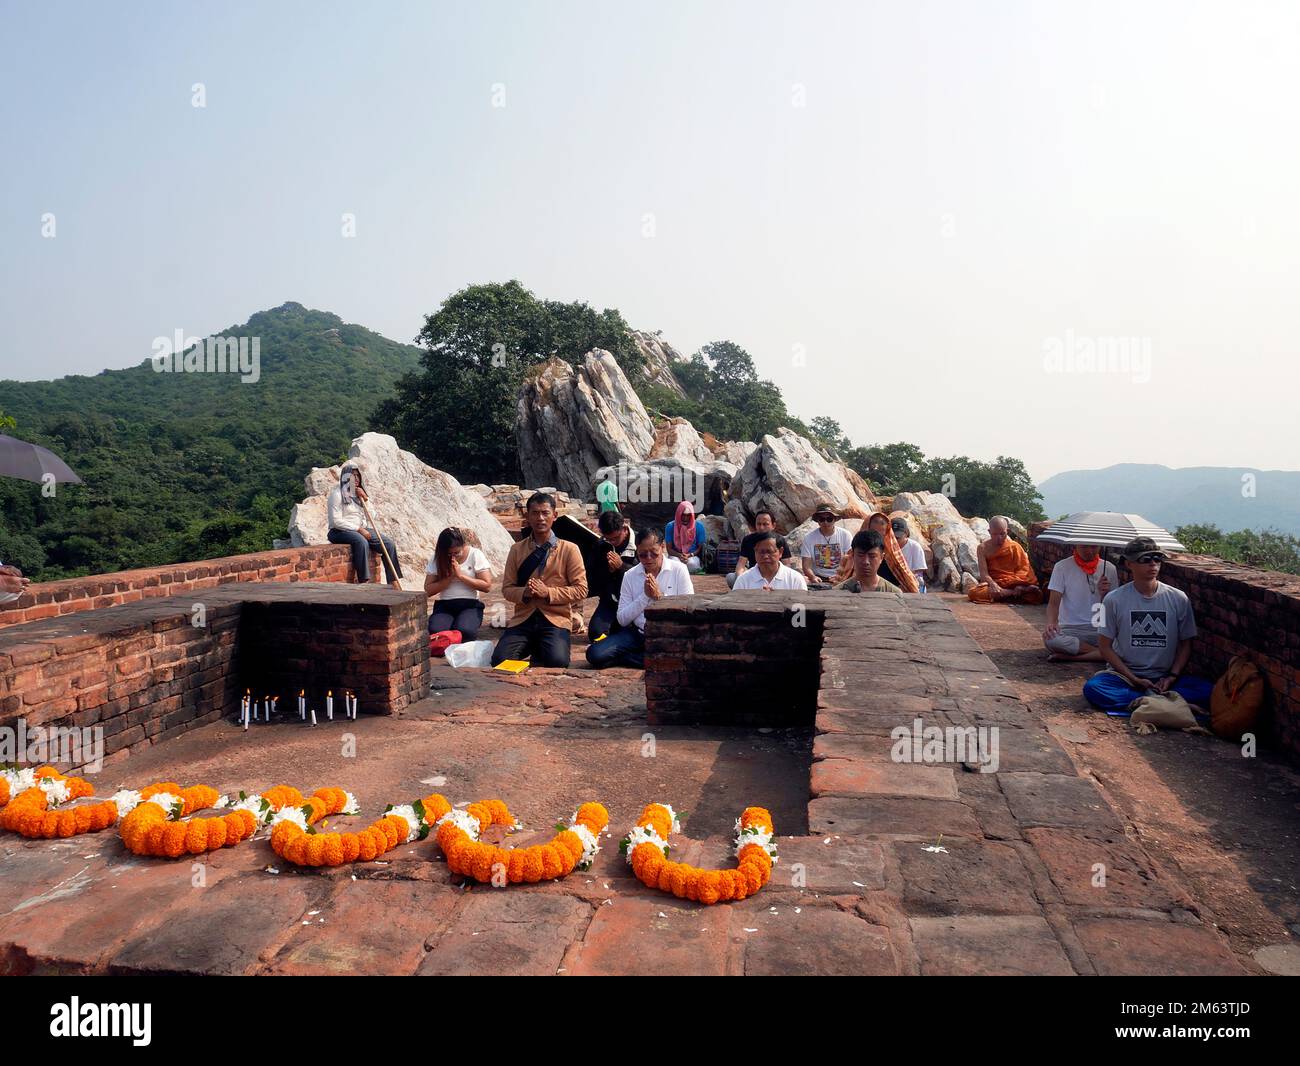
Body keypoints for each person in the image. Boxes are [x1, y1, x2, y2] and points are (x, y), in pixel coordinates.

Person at [1082, 537, 1213, 713]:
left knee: (1208, 691)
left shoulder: (1178, 598)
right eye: (1145, 560)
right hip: (1125, 677)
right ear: (1129, 564)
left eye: (1156, 559)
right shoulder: (1113, 600)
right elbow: (1105, 647)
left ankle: (1148, 702)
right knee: (1094, 688)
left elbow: (1185, 644)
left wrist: (1172, 677)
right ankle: (1167, 704)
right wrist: (1134, 678)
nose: (1153, 564)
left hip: (1164, 678)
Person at [492, 493, 588, 668]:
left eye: (545, 513)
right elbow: (507, 589)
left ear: (555, 516)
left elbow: (581, 590)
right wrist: (524, 593)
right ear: (527, 516)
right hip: (524, 617)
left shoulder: (569, 550)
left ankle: (542, 645)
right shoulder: (516, 550)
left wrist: (548, 592)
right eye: (535, 513)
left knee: (557, 662)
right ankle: (537, 645)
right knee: (500, 660)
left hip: (555, 617)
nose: (540, 518)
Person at [587, 527, 693, 669]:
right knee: (594, 654)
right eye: (643, 555)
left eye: (654, 554)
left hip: (668, 633)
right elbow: (622, 619)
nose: (648, 559)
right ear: (637, 551)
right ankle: (645, 658)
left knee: (680, 657)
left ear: (662, 547)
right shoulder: (630, 575)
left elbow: (689, 611)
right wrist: (645, 597)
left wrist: (659, 598)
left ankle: (629, 658)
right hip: (638, 633)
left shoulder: (679, 570)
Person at [326, 465, 403, 585]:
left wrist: (366, 499)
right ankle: (364, 580)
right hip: (339, 531)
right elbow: (335, 521)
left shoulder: (358, 494)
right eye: (352, 475)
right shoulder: (336, 494)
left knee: (389, 544)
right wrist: (358, 529)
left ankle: (393, 581)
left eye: (358, 475)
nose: (356, 478)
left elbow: (372, 516)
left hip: (361, 528)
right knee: (361, 542)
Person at [1042, 544, 1117, 661]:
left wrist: (1105, 594)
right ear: (1075, 545)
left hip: (1099, 629)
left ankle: (1075, 657)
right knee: (1051, 640)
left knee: (1125, 643)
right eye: (1084, 547)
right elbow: (1053, 603)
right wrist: (1051, 623)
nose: (1090, 551)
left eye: (1094, 547)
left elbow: (1113, 609)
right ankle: (1103, 654)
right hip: (1070, 629)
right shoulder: (1062, 567)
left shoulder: (1109, 568)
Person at [424, 528, 493, 639]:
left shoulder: (475, 554)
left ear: (463, 545)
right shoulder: (437, 558)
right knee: (436, 632)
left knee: (465, 631)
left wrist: (461, 576)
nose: (453, 557)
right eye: (449, 554)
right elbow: (428, 590)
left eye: (456, 553)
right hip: (445, 604)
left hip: (469, 604)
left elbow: (487, 586)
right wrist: (449, 578)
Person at [584, 510, 638, 640]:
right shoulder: (601, 545)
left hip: (635, 601)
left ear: (624, 528)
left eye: (615, 538)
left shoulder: (640, 542)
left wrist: (622, 567)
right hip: (610, 601)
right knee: (595, 633)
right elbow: (592, 577)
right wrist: (608, 571)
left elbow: (645, 575)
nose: (612, 542)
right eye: (608, 538)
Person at [967, 517, 1042, 604]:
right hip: (996, 583)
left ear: (1008, 531)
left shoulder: (1015, 546)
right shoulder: (982, 548)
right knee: (974, 593)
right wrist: (993, 584)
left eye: (1002, 534)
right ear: (989, 532)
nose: (999, 538)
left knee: (1037, 595)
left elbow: (1024, 570)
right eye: (995, 534)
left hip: (1014, 583)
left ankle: (1009, 593)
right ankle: (1013, 594)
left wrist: (1019, 585)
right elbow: (984, 575)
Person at [727, 509, 791, 588]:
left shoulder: (780, 540)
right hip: (754, 575)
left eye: (765, 524)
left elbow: (787, 564)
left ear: (773, 525)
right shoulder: (748, 540)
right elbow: (741, 563)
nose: (761, 527)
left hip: (775, 575)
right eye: (759, 524)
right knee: (731, 577)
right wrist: (740, 579)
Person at [799, 503, 852, 588]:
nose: (825, 522)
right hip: (818, 578)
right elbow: (806, 565)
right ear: (817, 520)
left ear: (835, 519)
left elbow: (850, 560)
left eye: (829, 519)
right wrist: (813, 577)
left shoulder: (845, 535)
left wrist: (841, 576)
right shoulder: (808, 538)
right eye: (822, 519)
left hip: (841, 577)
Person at [866, 512, 919, 593]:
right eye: (874, 532)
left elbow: (905, 579)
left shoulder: (893, 554)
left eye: (881, 532)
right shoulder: (857, 549)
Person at [735, 533, 810, 591]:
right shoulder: (743, 580)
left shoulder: (795, 579)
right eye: (761, 552)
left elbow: (802, 608)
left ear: (780, 552)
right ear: (755, 551)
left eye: (769, 552)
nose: (765, 556)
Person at [835, 530, 903, 593]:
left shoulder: (893, 593)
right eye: (861, 555)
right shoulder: (837, 593)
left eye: (872, 556)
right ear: (853, 555)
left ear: (881, 558)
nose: (866, 562)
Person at [664, 501, 709, 573]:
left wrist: (689, 555)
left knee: (693, 564)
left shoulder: (699, 526)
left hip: (692, 556)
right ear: (679, 514)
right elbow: (669, 549)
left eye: (688, 515)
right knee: (674, 564)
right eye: (683, 515)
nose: (685, 518)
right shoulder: (670, 526)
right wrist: (679, 555)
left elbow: (700, 548)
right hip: (676, 555)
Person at [892, 518, 929, 592]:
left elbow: (919, 570)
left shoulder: (914, 546)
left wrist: (905, 581)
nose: (895, 540)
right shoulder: (888, 547)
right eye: (893, 537)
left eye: (898, 538)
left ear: (906, 533)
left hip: (913, 580)